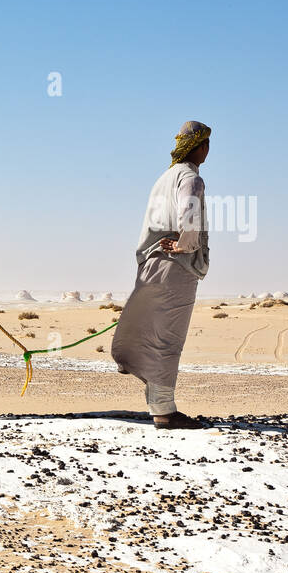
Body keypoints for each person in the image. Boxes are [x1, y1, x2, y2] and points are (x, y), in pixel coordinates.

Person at [111, 121, 212, 430]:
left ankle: (160, 406)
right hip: (175, 266)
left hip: (152, 263)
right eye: (207, 143)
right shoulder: (190, 178)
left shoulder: (164, 177)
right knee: (168, 339)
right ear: (200, 146)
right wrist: (185, 245)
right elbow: (189, 216)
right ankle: (165, 413)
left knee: (154, 334)